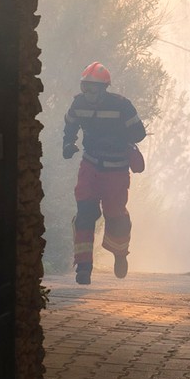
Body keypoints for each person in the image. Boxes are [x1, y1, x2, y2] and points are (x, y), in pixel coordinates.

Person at [62, 62, 146, 285]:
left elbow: (139, 133)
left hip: (116, 170)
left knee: (116, 215)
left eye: (92, 88)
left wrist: (119, 134)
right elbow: (70, 124)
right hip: (90, 166)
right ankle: (83, 267)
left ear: (103, 88)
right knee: (85, 215)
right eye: (84, 87)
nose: (87, 93)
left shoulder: (121, 106)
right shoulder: (78, 104)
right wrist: (68, 143)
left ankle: (120, 254)